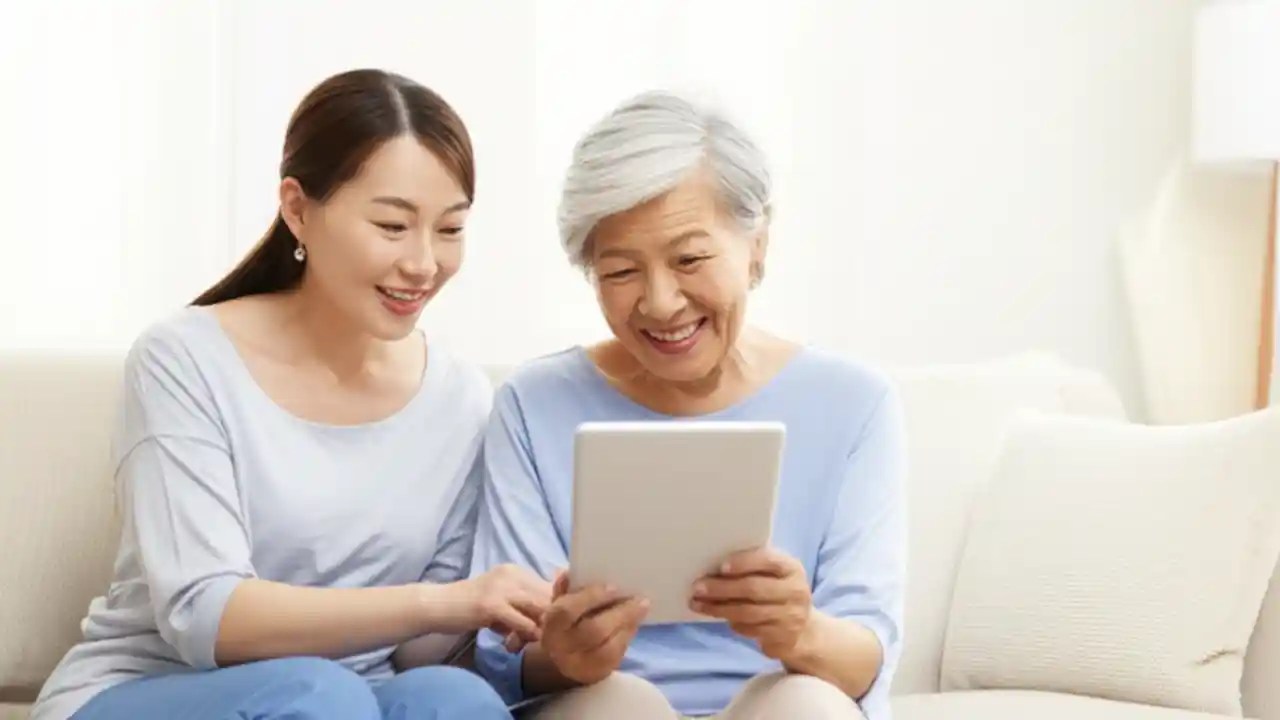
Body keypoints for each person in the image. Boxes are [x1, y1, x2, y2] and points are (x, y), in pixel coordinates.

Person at [31, 68, 550, 720]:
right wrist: (445, 602)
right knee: (319, 696)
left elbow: (422, 655)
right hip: (151, 691)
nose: (424, 263)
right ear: (298, 209)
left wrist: (539, 622)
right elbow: (206, 616)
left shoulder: (461, 397)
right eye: (393, 226)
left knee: (456, 699)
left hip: (357, 697)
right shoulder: (185, 359)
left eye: (449, 229)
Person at [469, 90, 907, 720]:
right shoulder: (531, 406)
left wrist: (801, 632)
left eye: (691, 259)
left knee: (805, 705)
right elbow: (504, 660)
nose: (661, 302)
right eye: (620, 272)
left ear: (756, 244)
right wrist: (564, 657)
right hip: (602, 706)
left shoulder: (856, 404)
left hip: (788, 702)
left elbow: (867, 656)